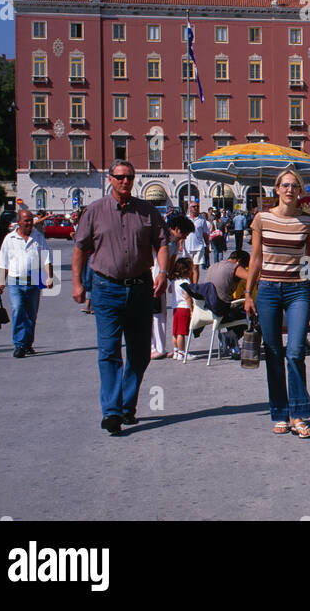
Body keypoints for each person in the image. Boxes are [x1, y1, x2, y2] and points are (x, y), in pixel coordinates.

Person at [72, 160, 172, 435]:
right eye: (120, 177)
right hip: (106, 289)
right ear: (110, 179)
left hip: (140, 288)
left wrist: (162, 271)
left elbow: (162, 243)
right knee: (109, 352)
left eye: (129, 177)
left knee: (140, 354)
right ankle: (112, 412)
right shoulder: (94, 211)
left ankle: (127, 405)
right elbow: (80, 249)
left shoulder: (147, 211)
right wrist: (77, 283)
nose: (125, 182)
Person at [243, 168, 310, 439]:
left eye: (295, 186)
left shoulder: (307, 222)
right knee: (274, 353)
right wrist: (247, 293)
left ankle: (298, 413)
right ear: (277, 189)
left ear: (300, 191)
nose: (290, 189)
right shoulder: (262, 219)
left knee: (296, 351)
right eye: (286, 185)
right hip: (267, 289)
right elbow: (255, 258)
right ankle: (280, 413)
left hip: (298, 292)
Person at [0, 208, 53, 358]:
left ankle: (28, 343)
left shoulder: (38, 236)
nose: (29, 223)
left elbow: (46, 258)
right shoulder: (10, 238)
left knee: (31, 314)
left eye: (31, 220)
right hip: (15, 279)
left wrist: (50, 277)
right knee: (18, 309)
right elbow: (3, 262)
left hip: (36, 277)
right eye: (26, 221)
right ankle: (19, 345)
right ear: (19, 222)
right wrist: (1, 282)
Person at [183, 250, 251, 319]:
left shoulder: (214, 265)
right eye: (244, 266)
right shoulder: (234, 267)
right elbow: (252, 278)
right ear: (239, 261)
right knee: (244, 310)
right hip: (220, 307)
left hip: (207, 303)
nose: (244, 268)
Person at [169, 256, 195, 361]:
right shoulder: (186, 282)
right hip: (184, 308)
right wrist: (192, 309)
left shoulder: (174, 281)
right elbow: (187, 296)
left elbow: (170, 290)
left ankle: (176, 351)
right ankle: (182, 352)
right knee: (181, 332)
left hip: (175, 307)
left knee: (175, 332)